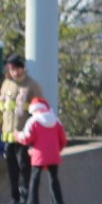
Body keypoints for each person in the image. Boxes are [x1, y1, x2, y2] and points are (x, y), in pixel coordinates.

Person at [1, 54, 44, 204]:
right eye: (11, 69)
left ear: (23, 68)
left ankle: (26, 198)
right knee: (12, 169)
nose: (14, 72)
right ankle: (15, 198)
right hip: (8, 136)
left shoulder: (32, 85)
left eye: (17, 69)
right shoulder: (6, 84)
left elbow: (40, 111)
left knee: (25, 169)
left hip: (25, 136)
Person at [16, 98, 66, 204]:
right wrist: (57, 150)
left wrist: (17, 135)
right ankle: (58, 201)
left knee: (34, 179)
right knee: (54, 179)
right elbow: (63, 139)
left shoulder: (33, 121)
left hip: (38, 156)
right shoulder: (56, 120)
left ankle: (32, 201)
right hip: (53, 155)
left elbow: (26, 138)